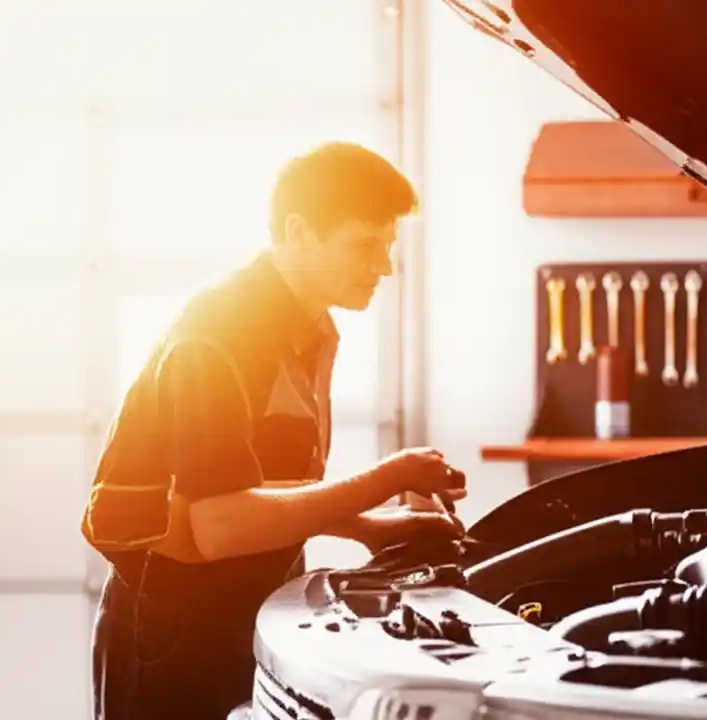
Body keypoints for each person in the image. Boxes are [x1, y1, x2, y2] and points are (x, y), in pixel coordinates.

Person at [81, 142, 466, 719]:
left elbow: (256, 489)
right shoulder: (218, 335)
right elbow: (217, 525)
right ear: (297, 231)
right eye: (364, 244)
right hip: (173, 631)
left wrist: (367, 528)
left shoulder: (312, 329)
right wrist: (389, 477)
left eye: (387, 246)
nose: (384, 266)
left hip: (257, 610)